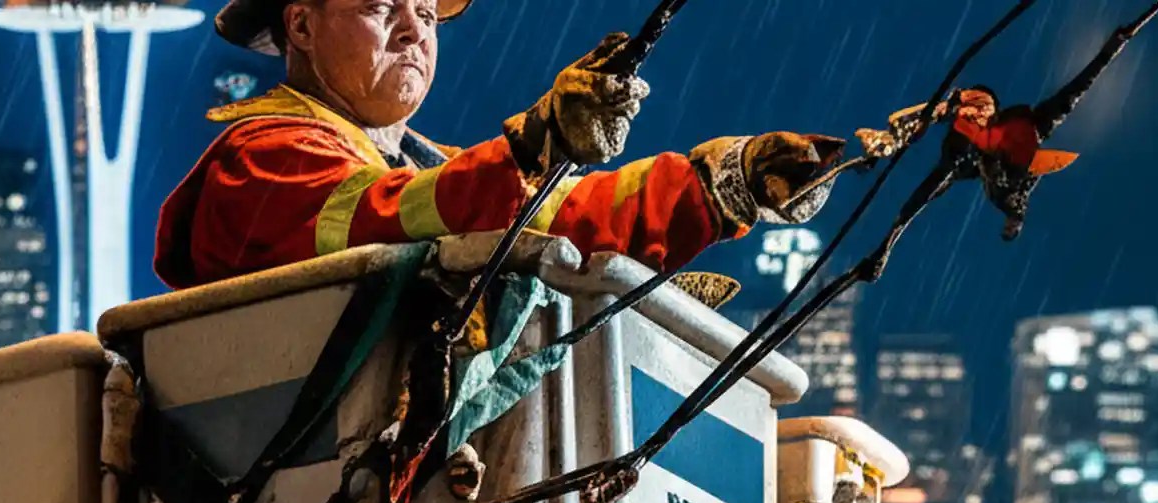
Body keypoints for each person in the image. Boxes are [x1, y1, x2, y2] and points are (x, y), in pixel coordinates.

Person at [154, 0, 847, 291]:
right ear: (300, 27)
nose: (413, 32)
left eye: (424, 12)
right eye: (378, 7)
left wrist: (722, 183)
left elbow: (561, 215)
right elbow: (381, 219)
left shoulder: (430, 166)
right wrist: (537, 143)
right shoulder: (262, 160)